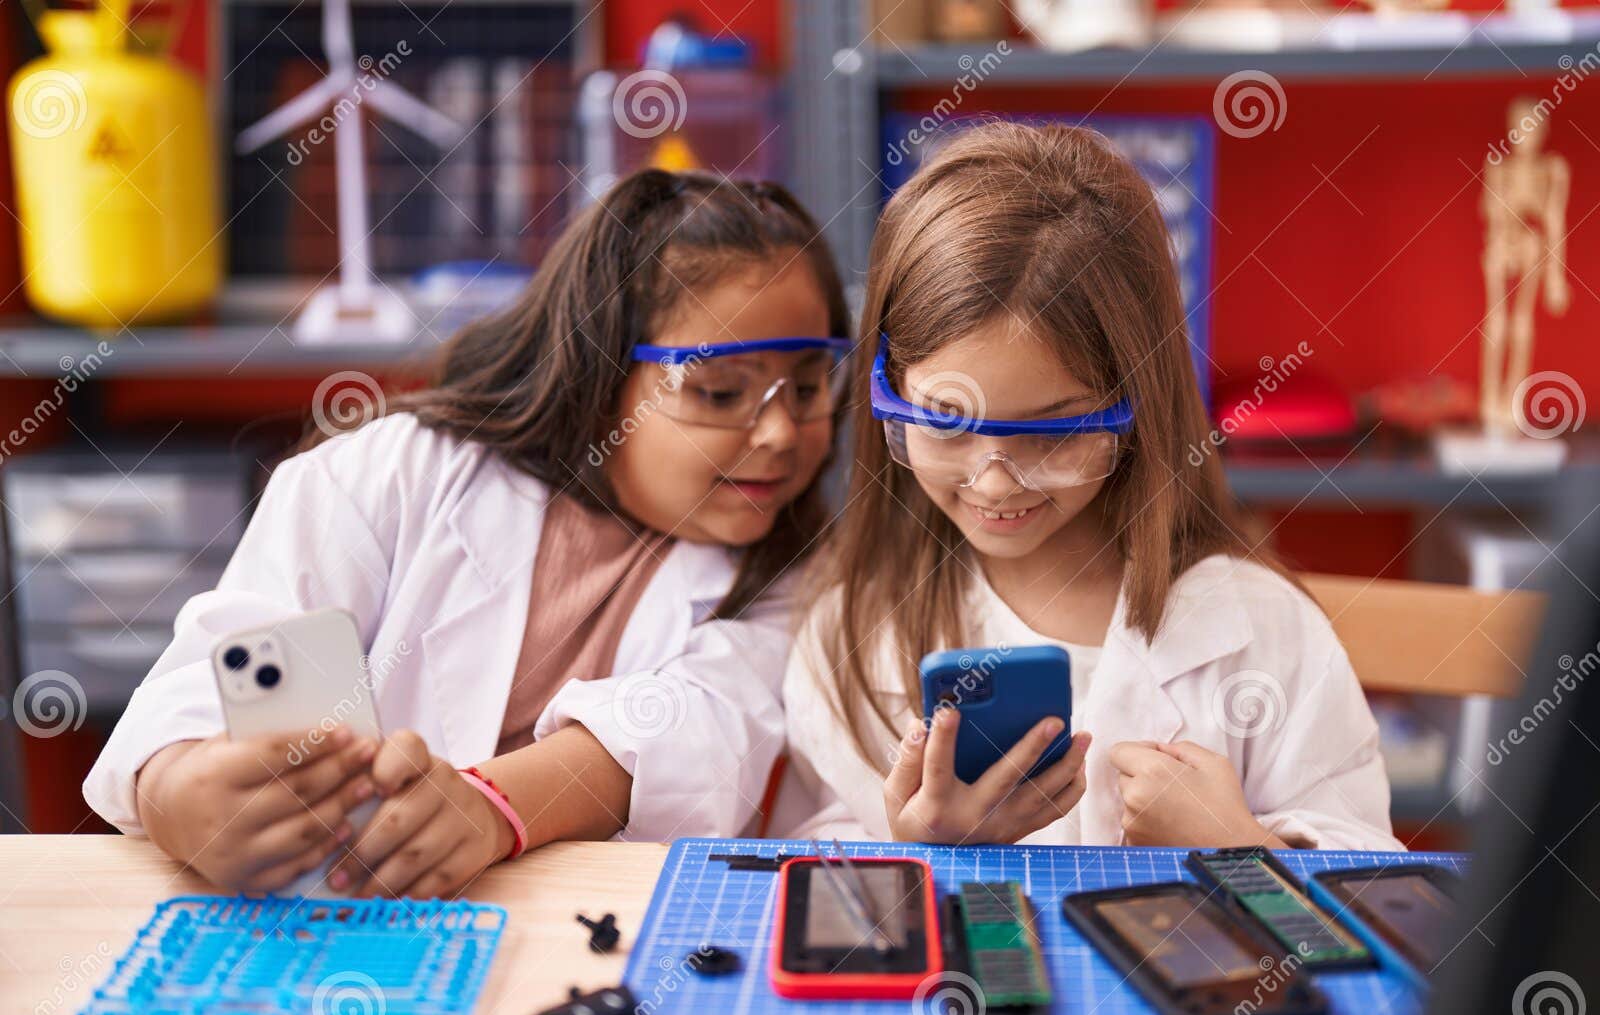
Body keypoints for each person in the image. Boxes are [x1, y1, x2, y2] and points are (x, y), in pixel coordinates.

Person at [85, 169, 851, 895]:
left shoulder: (794, 568)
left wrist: (488, 807)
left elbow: (697, 727)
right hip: (330, 915)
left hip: (569, 928)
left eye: (810, 386)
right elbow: (218, 674)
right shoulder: (389, 475)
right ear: (601, 368)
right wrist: (181, 793)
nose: (781, 432)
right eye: (720, 391)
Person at [783, 122, 1401, 852]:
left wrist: (1239, 846)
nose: (994, 480)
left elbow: (1362, 892)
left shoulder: (1265, 630)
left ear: (1140, 405)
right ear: (887, 394)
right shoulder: (848, 642)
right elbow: (813, 874)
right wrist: (921, 853)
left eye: (1052, 433)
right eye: (946, 421)